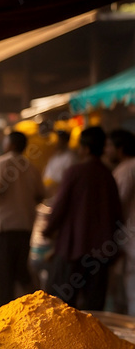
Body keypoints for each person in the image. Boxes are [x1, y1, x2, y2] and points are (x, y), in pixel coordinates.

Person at [42, 127, 122, 310]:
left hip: (73, 249)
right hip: (101, 252)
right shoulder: (108, 175)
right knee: (94, 310)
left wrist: (48, 230)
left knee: (61, 307)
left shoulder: (75, 171)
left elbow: (60, 205)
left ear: (85, 149)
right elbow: (117, 215)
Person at [0, 131, 44, 308]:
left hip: (3, 229)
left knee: (3, 277)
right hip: (24, 228)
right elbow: (40, 196)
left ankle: (2, 317)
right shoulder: (32, 167)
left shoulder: (2, 163)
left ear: (12, 145)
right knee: (20, 274)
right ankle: (25, 312)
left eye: (6, 141)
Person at [111, 129, 135, 314]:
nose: (106, 150)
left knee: (131, 288)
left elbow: (118, 203)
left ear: (119, 149)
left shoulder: (126, 169)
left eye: (109, 146)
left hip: (130, 239)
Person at [43, 130, 77, 197]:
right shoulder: (54, 157)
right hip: (52, 196)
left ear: (64, 141)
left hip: (62, 195)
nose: (54, 142)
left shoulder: (71, 157)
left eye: (57, 140)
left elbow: (69, 180)